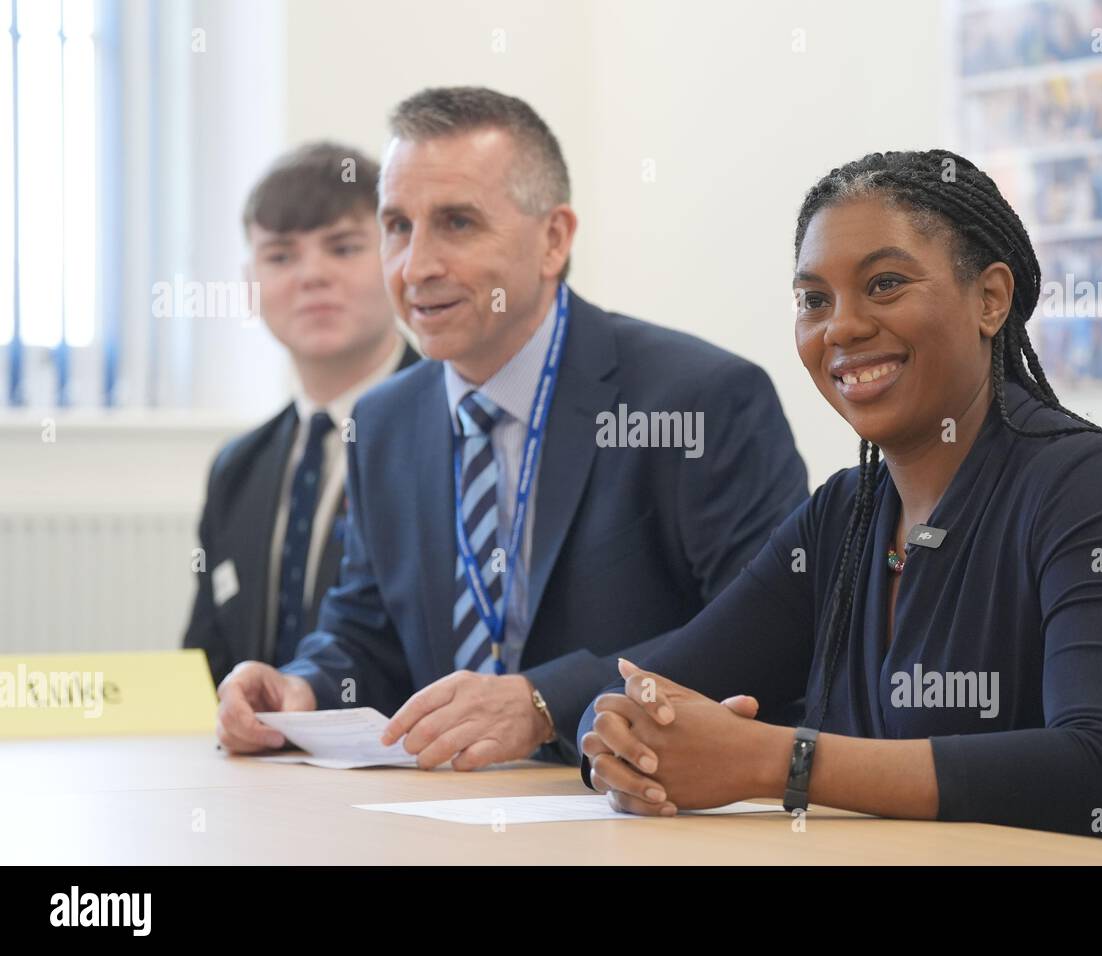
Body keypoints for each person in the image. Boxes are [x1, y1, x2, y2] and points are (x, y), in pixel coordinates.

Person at [579, 149, 1102, 849]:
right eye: (815, 300)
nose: (841, 327)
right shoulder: (843, 514)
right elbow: (643, 690)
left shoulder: (1090, 483)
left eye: (884, 284)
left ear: (990, 299)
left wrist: (775, 762)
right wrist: (621, 744)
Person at [213, 87, 808, 768]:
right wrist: (303, 686)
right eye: (398, 227)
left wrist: (543, 702)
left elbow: (764, 634)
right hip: (448, 807)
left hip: (629, 804)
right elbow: (367, 631)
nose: (416, 266)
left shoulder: (699, 398)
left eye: (458, 224)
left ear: (553, 240)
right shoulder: (384, 419)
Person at [184, 142, 421, 687]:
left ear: (397, 258)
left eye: (342, 248)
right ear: (251, 284)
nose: (311, 275)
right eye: (281, 256)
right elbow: (205, 668)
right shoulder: (237, 468)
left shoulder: (453, 433)